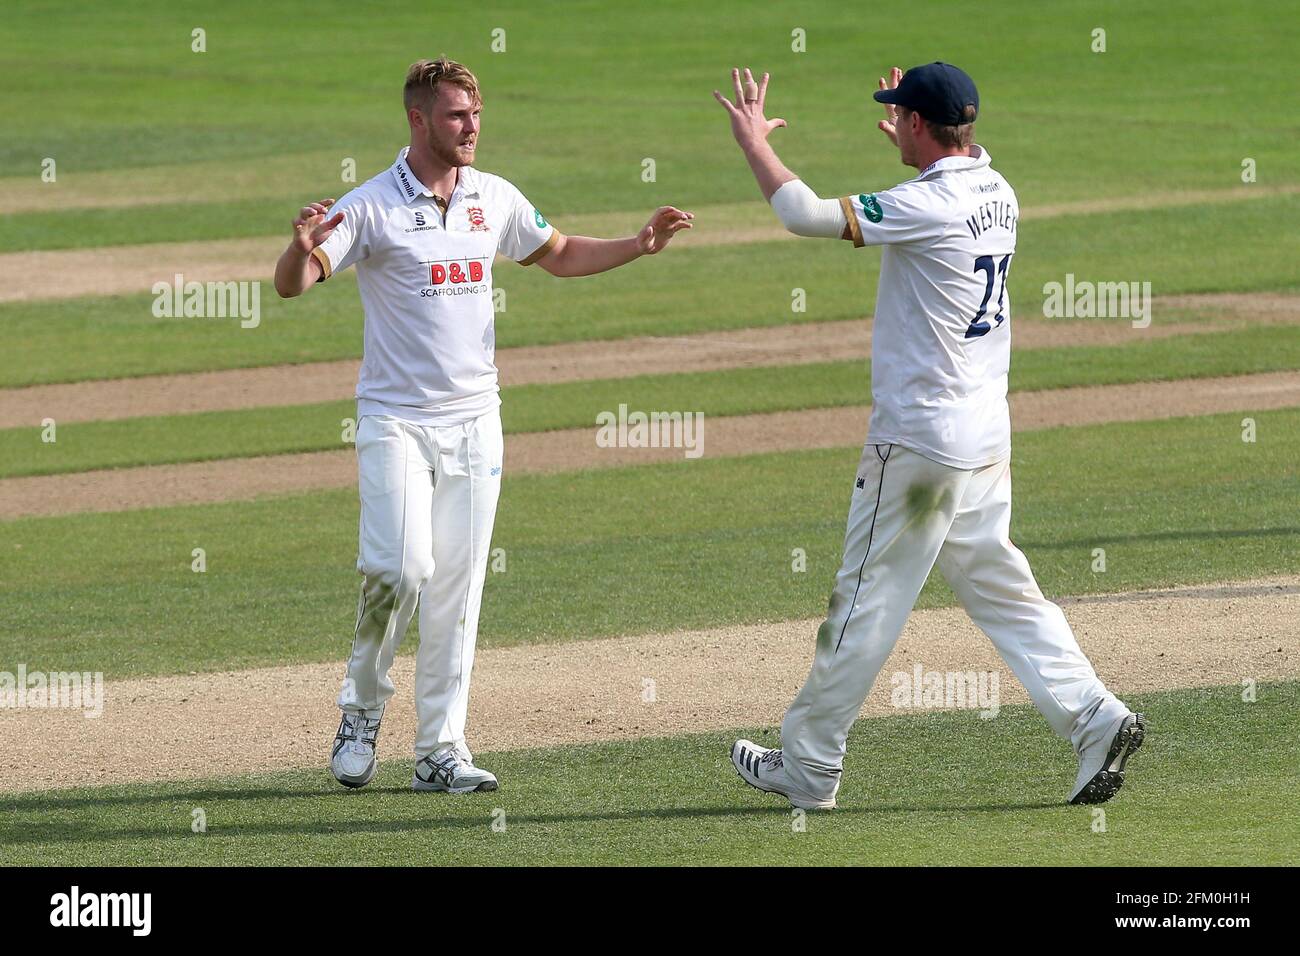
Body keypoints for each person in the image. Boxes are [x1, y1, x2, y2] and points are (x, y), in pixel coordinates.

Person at [713, 63, 1143, 809]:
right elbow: (932, 202)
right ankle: (1093, 716)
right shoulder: (996, 188)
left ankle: (809, 764)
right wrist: (913, 163)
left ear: (916, 124)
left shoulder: (927, 201)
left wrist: (754, 142)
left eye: (899, 113)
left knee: (864, 603)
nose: (894, 121)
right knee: (1002, 589)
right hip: (982, 438)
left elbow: (808, 215)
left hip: (917, 445)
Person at [275, 57, 693, 793]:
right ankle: (361, 711)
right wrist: (299, 246)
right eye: (456, 116)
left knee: (457, 589)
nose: (471, 128)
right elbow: (294, 284)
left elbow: (557, 253)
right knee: (397, 571)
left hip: (476, 421)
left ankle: (440, 749)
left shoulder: (491, 197)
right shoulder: (370, 205)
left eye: (476, 114)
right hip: (395, 421)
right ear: (418, 120)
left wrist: (637, 244)